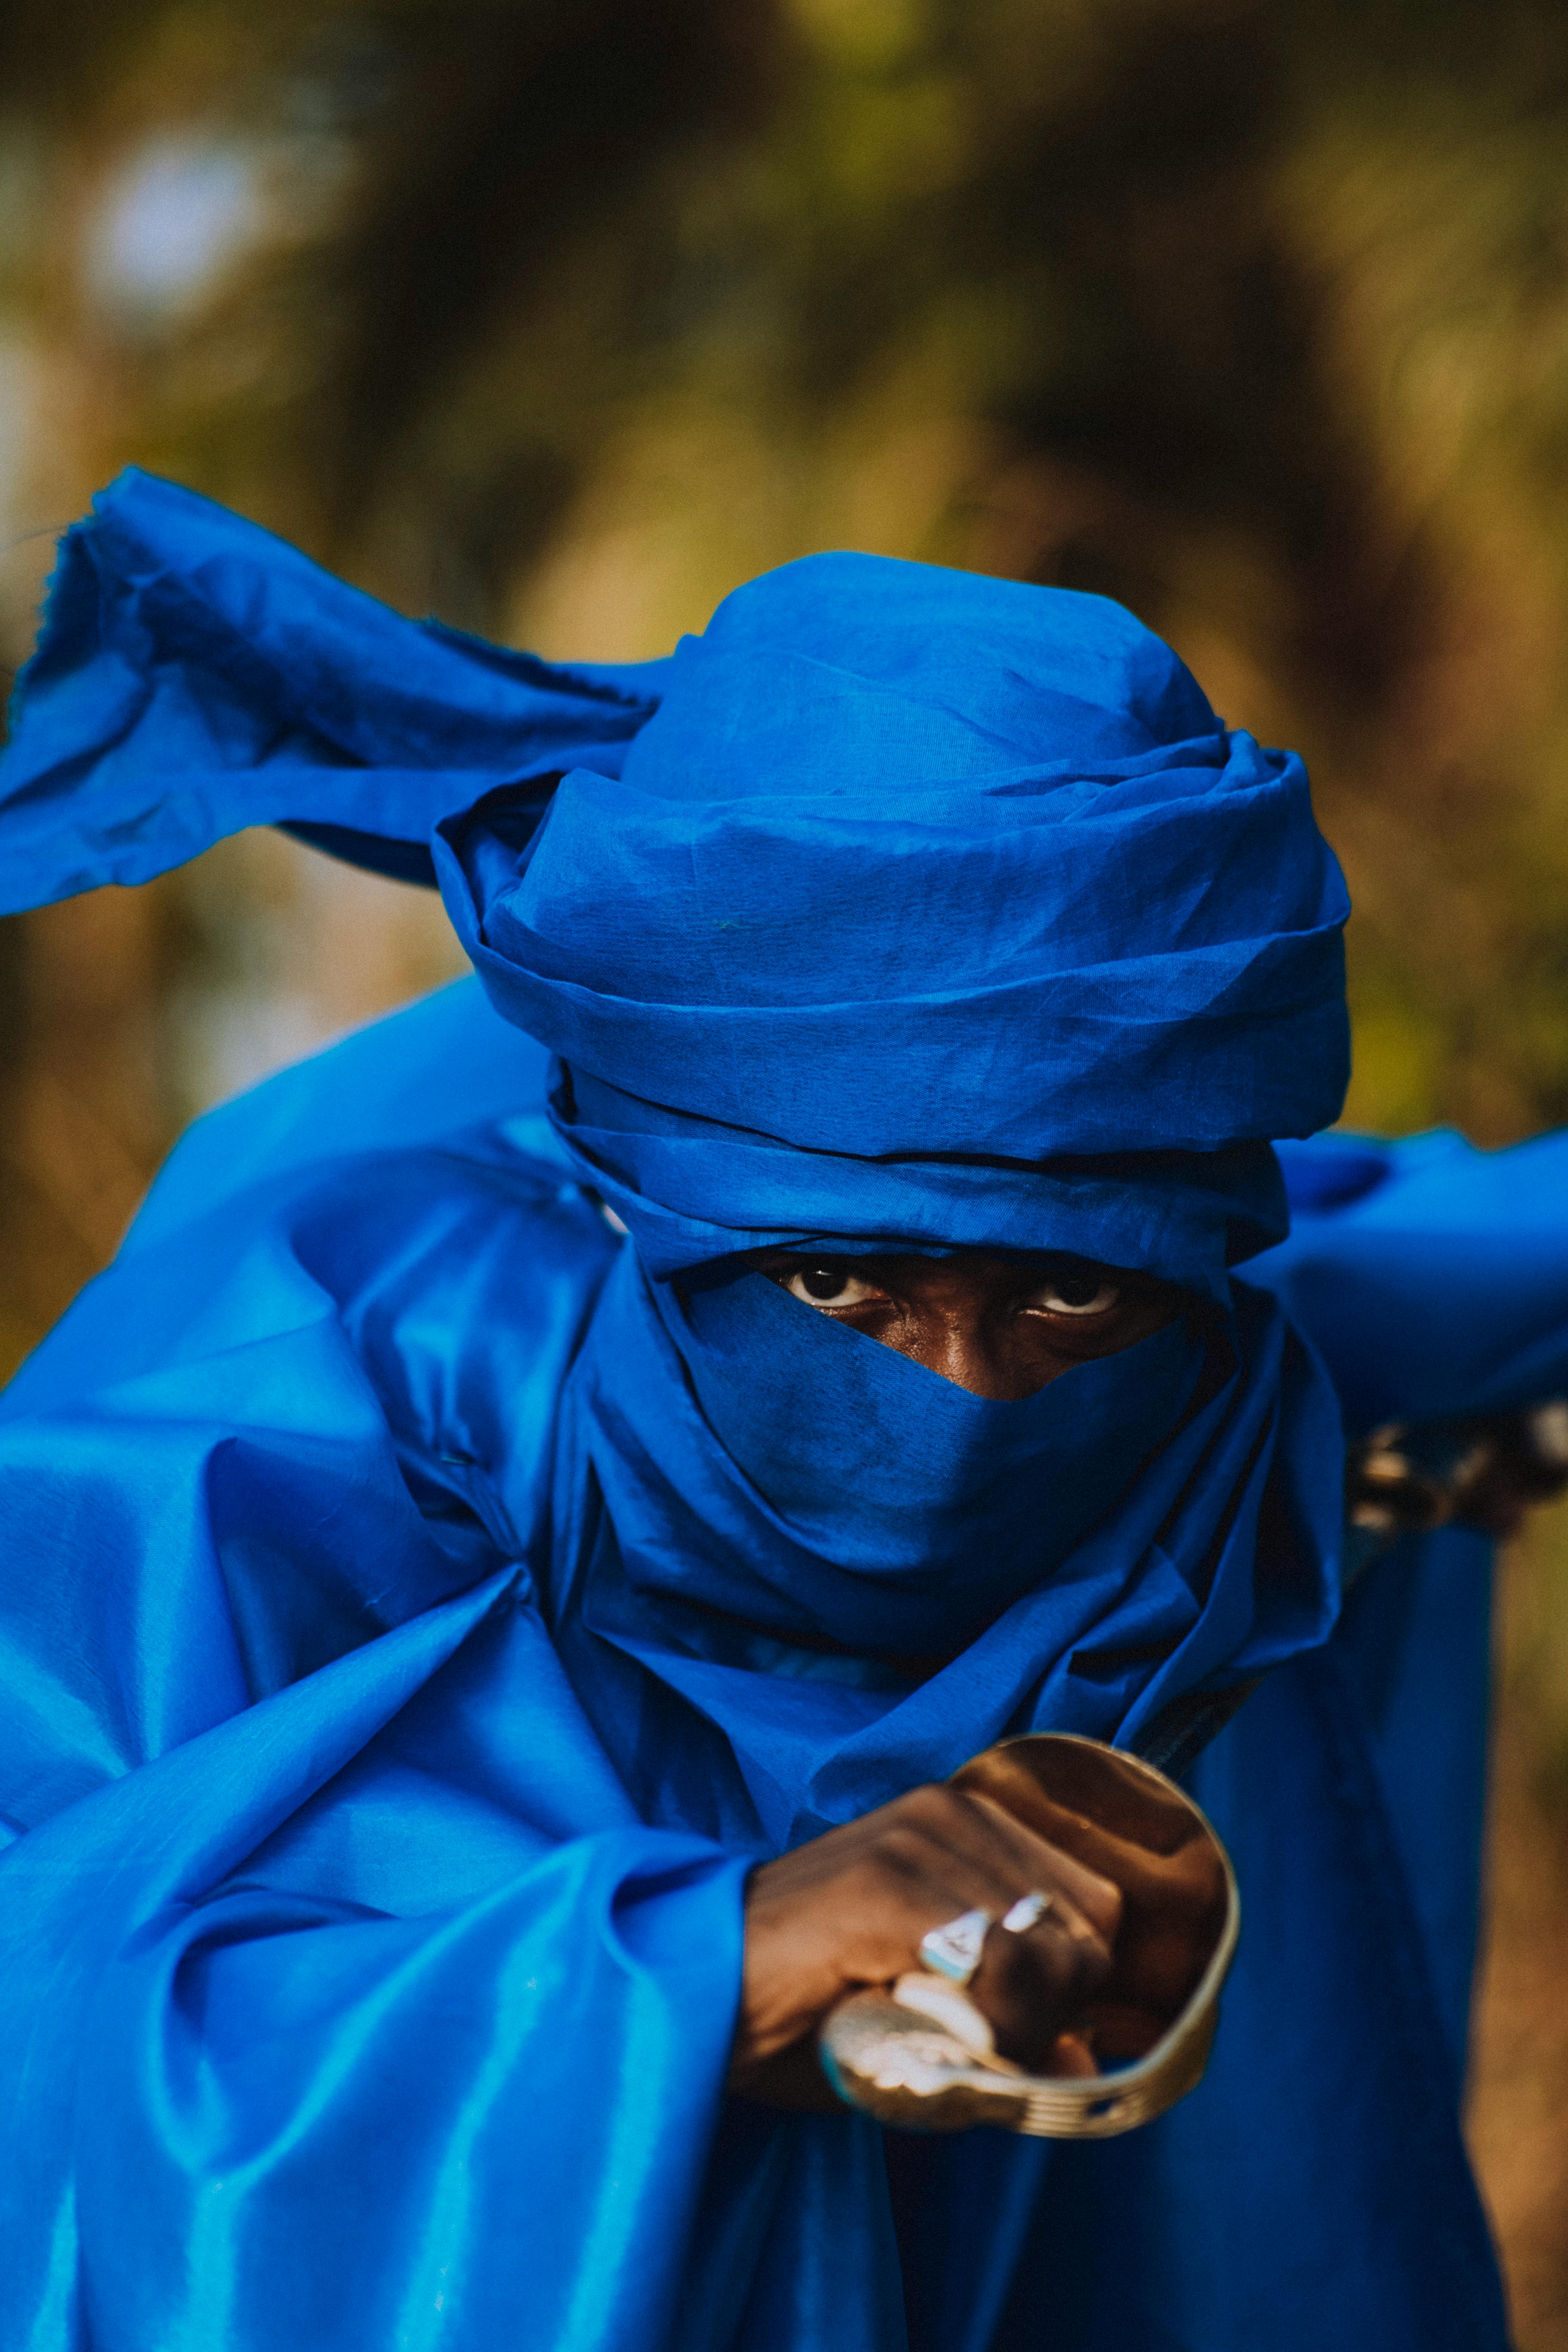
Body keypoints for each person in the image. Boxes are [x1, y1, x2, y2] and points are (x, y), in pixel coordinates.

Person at [1, 469, 1566, 2352]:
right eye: (836, 1286)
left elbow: (1426, 1255)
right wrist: (682, 1980)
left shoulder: (1210, 1368)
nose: (962, 1398)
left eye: (1063, 1293)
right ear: (643, 1213)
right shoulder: (319, 1388)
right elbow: (55, 1991)